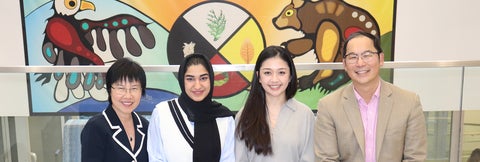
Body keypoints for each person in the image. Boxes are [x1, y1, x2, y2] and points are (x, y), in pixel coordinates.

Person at [314, 31, 427, 161]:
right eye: (353, 57)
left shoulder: (409, 102)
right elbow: (326, 159)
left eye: (367, 55)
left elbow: (415, 157)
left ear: (381, 59)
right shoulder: (328, 106)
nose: (360, 63)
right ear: (344, 64)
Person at [147, 53, 235, 162]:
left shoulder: (224, 118)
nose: (197, 86)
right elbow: (156, 158)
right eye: (190, 79)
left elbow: (228, 159)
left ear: (211, 79)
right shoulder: (163, 113)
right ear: (182, 80)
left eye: (203, 78)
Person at [235, 45, 315, 162]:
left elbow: (309, 158)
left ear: (290, 76)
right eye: (267, 73)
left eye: (281, 72)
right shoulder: (244, 116)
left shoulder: (305, 115)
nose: (274, 79)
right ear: (259, 77)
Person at [81, 58, 149, 162]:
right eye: (121, 88)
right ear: (109, 89)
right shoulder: (95, 127)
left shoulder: (145, 126)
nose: (128, 95)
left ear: (142, 91)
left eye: (134, 88)